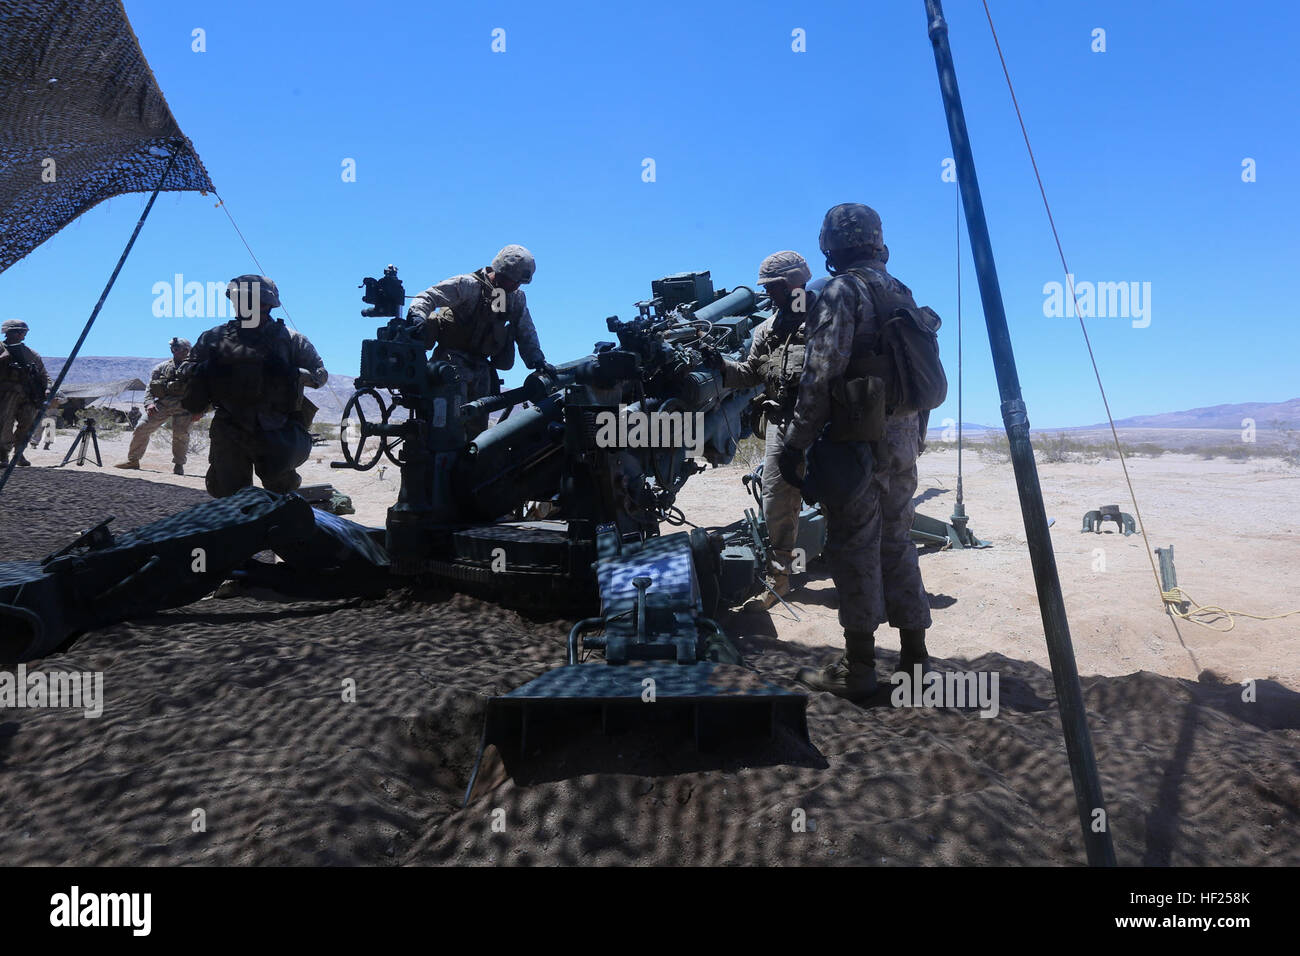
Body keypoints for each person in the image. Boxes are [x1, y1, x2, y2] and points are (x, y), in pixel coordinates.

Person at [777, 203, 934, 700]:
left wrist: (796, 444)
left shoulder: (843, 291)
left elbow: (820, 373)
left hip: (858, 443)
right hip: (904, 438)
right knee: (899, 541)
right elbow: (919, 373)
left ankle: (859, 667)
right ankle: (914, 663)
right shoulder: (901, 293)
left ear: (830, 246)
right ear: (877, 241)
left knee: (854, 546)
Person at [707, 251, 817, 608]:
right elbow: (751, 372)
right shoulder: (767, 329)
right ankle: (780, 577)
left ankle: (859, 579)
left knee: (842, 498)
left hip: (826, 424)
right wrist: (720, 365)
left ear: (793, 284)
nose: (769, 294)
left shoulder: (827, 318)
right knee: (776, 500)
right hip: (783, 424)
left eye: (774, 287)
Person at [181, 275, 328, 497]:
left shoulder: (290, 339)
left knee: (281, 494)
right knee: (228, 497)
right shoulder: (214, 337)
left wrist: (291, 373)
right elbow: (185, 369)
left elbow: (320, 376)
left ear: (267, 304)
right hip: (229, 426)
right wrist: (206, 369)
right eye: (237, 299)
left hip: (275, 427)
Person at [405, 244, 555, 437]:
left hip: (482, 370)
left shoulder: (515, 299)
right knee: (447, 423)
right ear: (501, 272)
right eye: (514, 281)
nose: (517, 286)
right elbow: (427, 297)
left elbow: (525, 330)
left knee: (477, 427)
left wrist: (537, 360)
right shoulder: (468, 285)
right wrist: (418, 317)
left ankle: (471, 463)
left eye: (520, 283)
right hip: (450, 364)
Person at [115, 337, 201, 475]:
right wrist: (149, 403)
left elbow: (205, 390)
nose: (173, 351)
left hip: (185, 407)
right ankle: (133, 460)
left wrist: (200, 411)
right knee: (141, 428)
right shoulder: (162, 367)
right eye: (172, 348)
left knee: (180, 436)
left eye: (177, 348)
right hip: (162, 405)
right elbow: (150, 387)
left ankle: (178, 465)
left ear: (186, 350)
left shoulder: (197, 368)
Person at [0, 319, 49, 467]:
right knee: (4, 426)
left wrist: (48, 389)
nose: (22, 335)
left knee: (27, 425)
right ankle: (3, 456)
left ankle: (19, 454)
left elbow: (44, 375)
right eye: (19, 332)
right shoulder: (2, 349)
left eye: (23, 332)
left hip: (28, 395)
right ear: (8, 332)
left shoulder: (31, 354)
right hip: (6, 395)